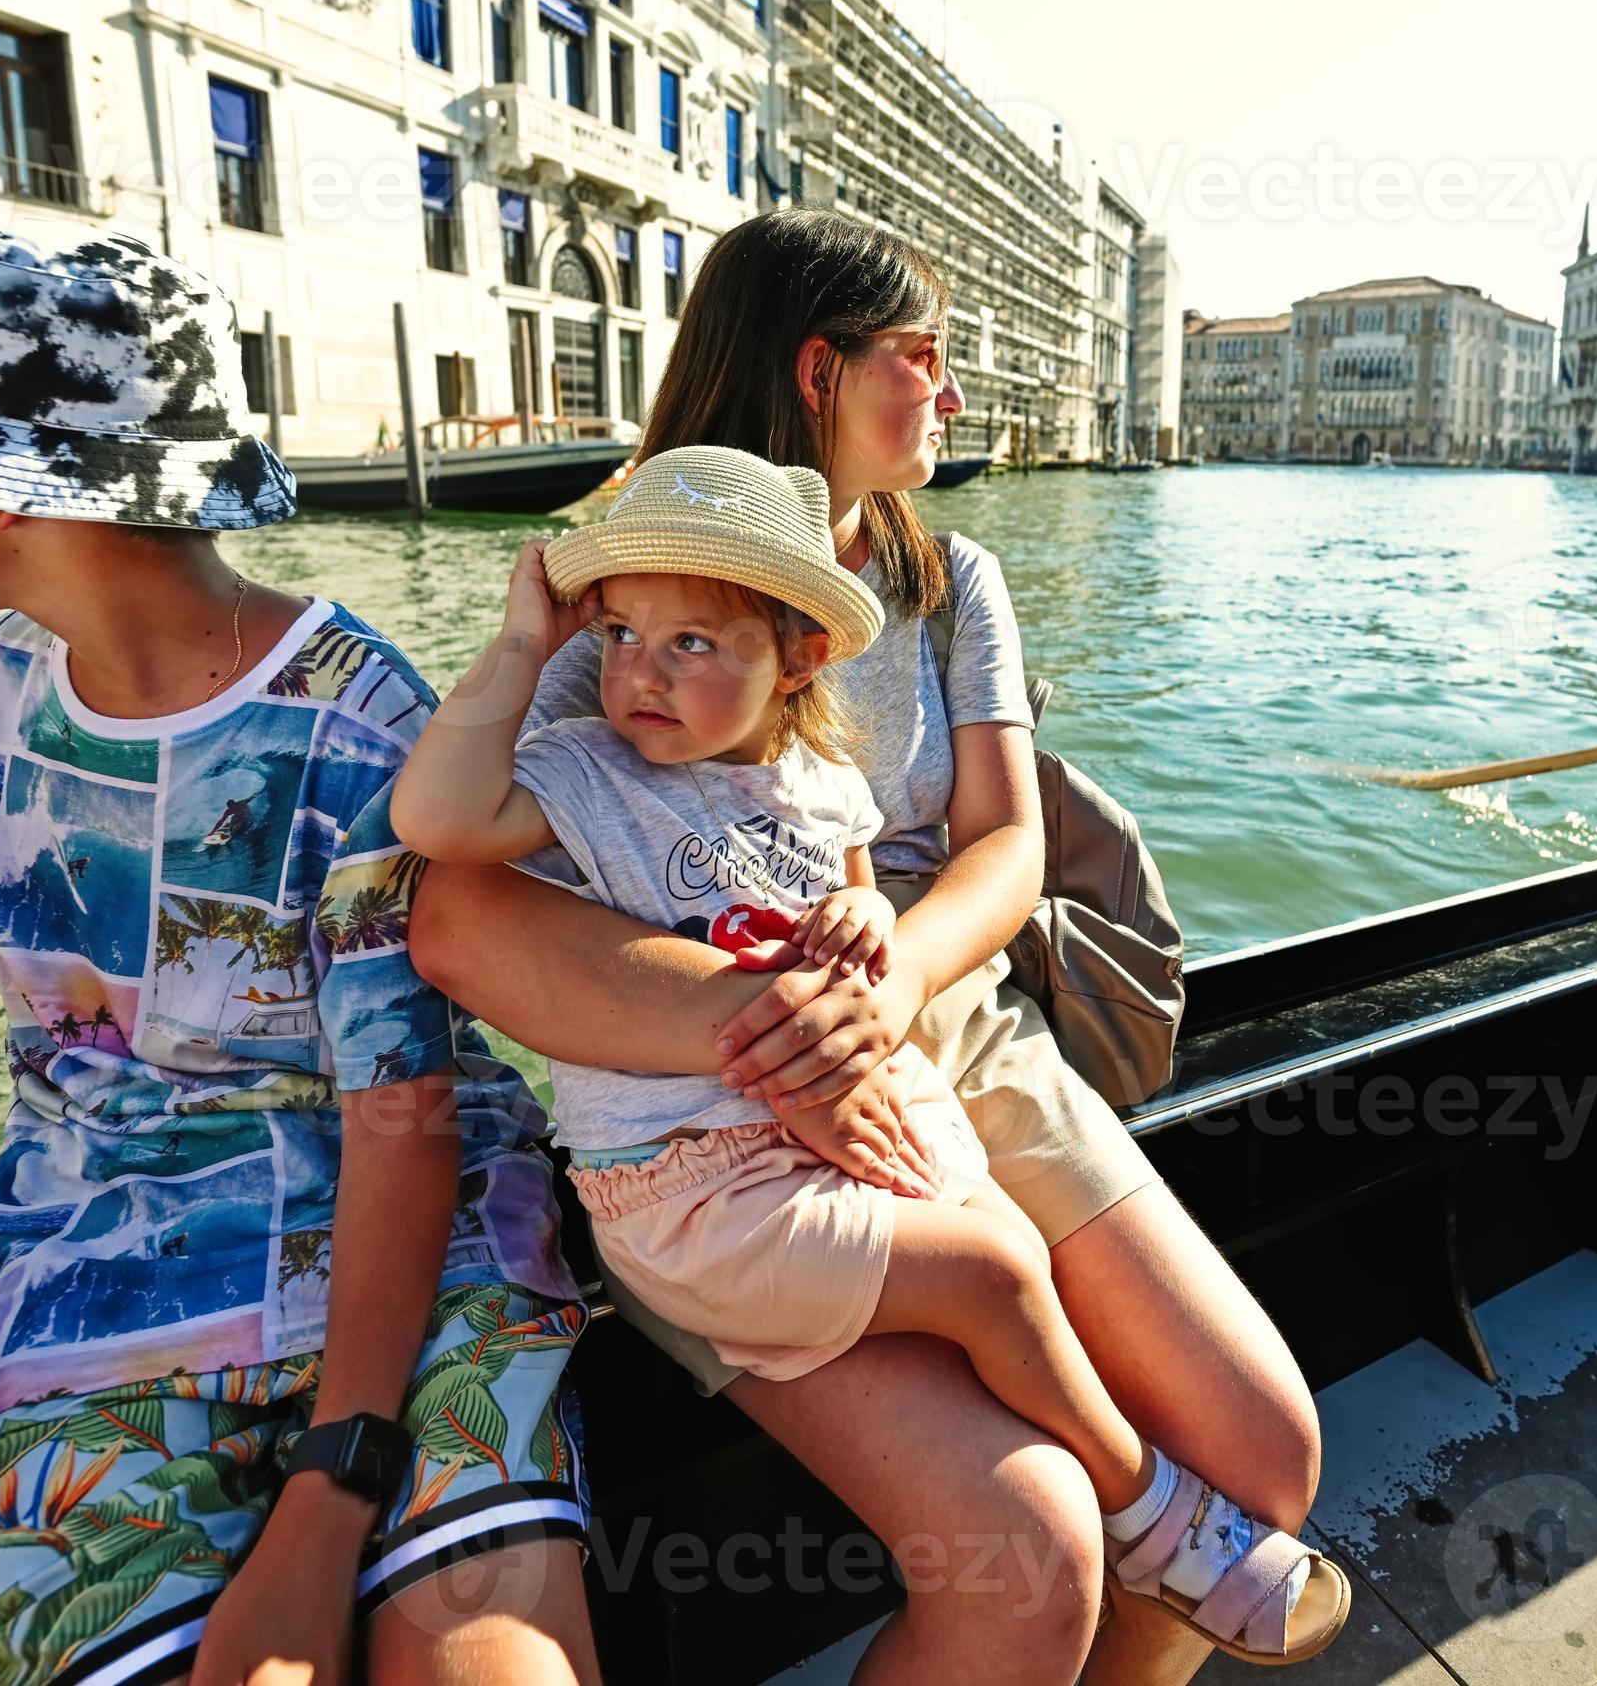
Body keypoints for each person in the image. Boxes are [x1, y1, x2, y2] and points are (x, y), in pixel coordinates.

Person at [409, 209, 1337, 1681]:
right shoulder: (638, 596)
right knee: (1027, 1562)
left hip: (944, 1017)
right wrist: (773, 1027)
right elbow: (459, 908)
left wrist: (893, 980)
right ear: (821, 371)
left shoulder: (953, 580)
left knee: (1268, 1455)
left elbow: (1008, 847)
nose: (951, 396)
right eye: (927, 358)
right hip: (710, 1089)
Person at [0, 212, 598, 1686]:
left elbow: (403, 1121)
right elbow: (64, 1046)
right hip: (100, 1249)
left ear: (3, 489)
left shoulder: (356, 722)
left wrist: (330, 1495)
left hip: (412, 1246)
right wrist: (30, 1218)